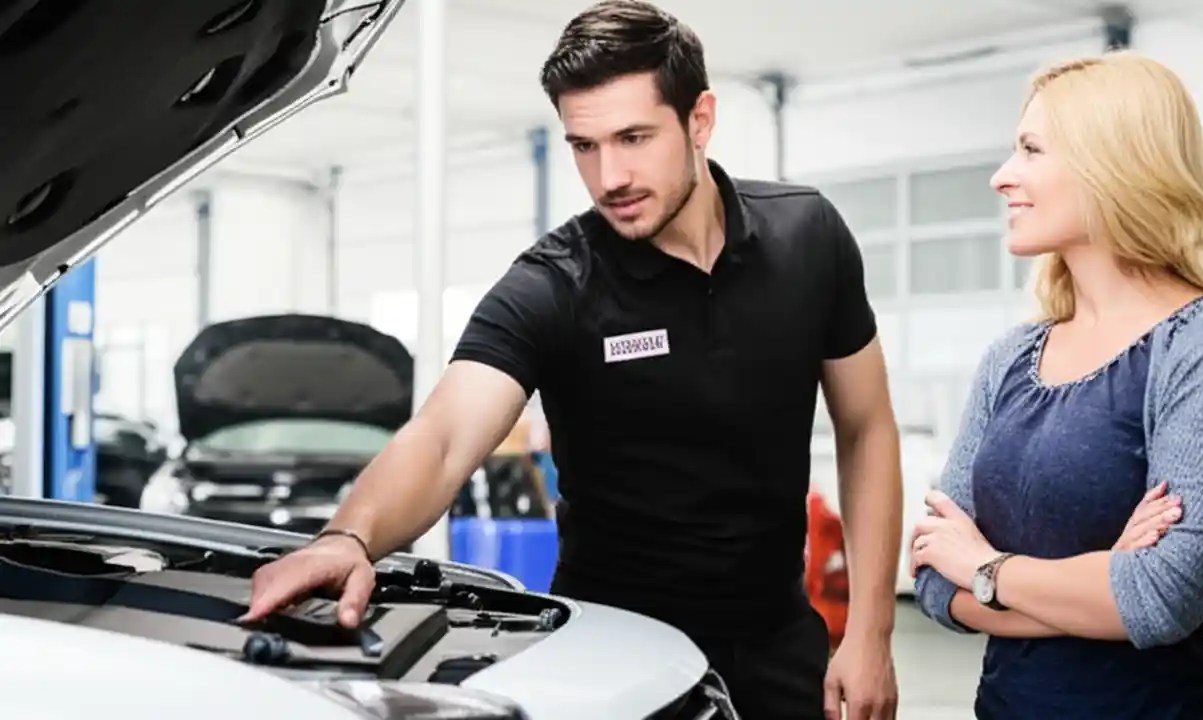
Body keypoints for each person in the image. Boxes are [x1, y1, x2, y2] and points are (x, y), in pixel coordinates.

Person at [241, 1, 903, 717]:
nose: (609, 175)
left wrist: (870, 632)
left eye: (633, 137)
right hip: (615, 661)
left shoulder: (808, 237)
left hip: (779, 645)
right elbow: (441, 438)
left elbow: (865, 427)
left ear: (700, 120)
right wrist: (351, 536)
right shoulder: (556, 285)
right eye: (583, 146)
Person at [908, 50, 1203, 719]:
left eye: (1030, 150)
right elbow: (931, 577)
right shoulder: (1011, 356)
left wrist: (985, 568)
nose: (1001, 177)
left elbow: (1161, 599)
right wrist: (1099, 581)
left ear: (1115, 162)